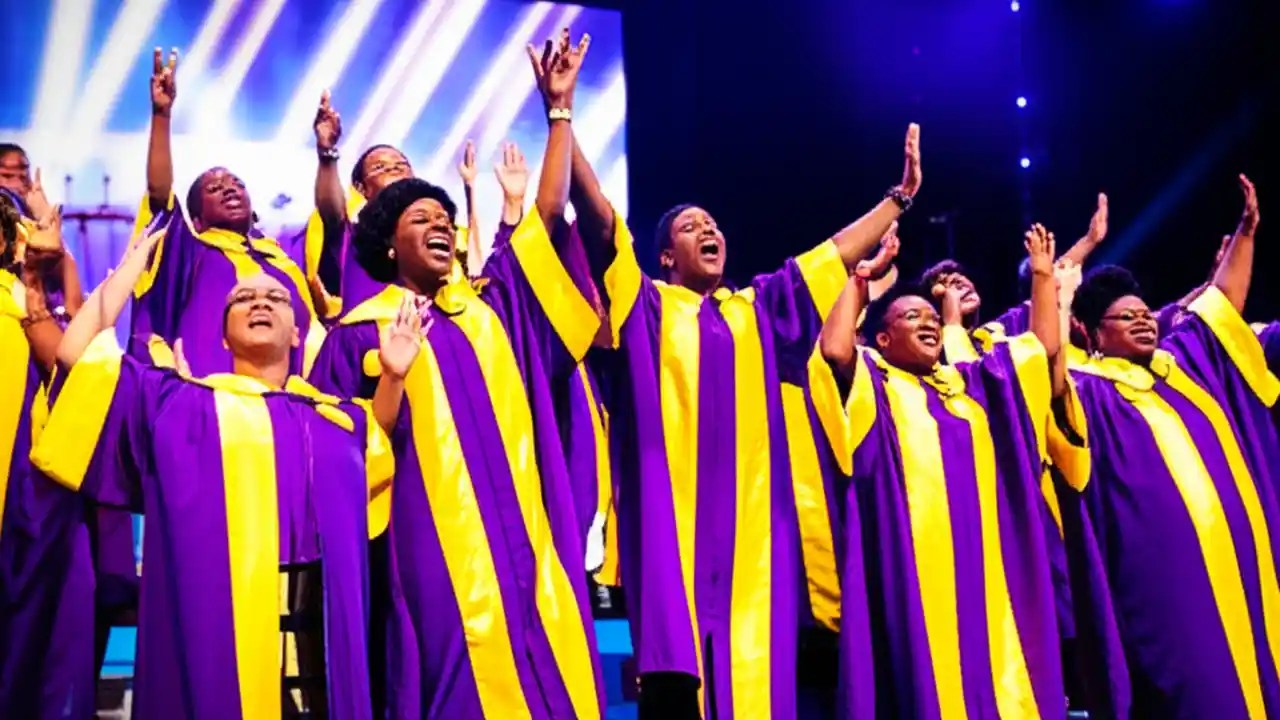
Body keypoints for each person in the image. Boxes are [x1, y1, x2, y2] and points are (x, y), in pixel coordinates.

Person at [563, 41, 922, 711]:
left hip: (755, 536)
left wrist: (896, 199)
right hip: (670, 532)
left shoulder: (756, 309)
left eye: (715, 225)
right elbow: (602, 218)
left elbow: (829, 257)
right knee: (677, 684)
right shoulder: (642, 305)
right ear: (666, 253)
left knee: (760, 682)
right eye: (693, 227)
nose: (711, 232)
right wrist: (562, 115)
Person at [307, 29, 605, 719]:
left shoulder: (494, 305)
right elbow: (338, 459)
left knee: (550, 671)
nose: (441, 224)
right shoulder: (357, 338)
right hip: (430, 548)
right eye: (421, 218)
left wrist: (558, 114)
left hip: (530, 538)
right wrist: (390, 380)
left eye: (445, 217)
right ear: (387, 242)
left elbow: (546, 218)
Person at [30, 219, 401, 719]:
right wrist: (129, 270)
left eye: (275, 298)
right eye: (243, 299)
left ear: (298, 334)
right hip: (219, 651)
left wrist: (394, 376)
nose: (261, 302)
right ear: (223, 338)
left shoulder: (335, 418)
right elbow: (76, 354)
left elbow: (375, 453)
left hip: (315, 659)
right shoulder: (180, 404)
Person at [1050, 175, 1280, 719]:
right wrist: (1054, 284)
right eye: (1125, 317)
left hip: (1248, 566)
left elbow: (1220, 304)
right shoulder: (1090, 394)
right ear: (1093, 333)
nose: (1143, 320)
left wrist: (1246, 233)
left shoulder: (1184, 367)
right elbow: (1050, 366)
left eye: (1145, 312)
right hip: (1169, 584)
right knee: (1201, 690)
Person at [820, 223, 1067, 719]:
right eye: (913, 316)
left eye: (934, 317)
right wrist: (860, 280)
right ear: (884, 338)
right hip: (915, 574)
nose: (930, 324)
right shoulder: (875, 379)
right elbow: (835, 349)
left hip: (988, 572)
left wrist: (1042, 276)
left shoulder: (971, 382)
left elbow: (1040, 352)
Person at [131, 48, 327, 377]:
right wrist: (162, 116)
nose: (229, 188)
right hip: (216, 404)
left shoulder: (283, 260)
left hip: (294, 402)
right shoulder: (191, 254)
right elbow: (159, 195)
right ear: (196, 220)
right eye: (213, 188)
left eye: (236, 183)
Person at [786, 235, 897, 718]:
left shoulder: (872, 372)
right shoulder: (795, 364)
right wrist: (860, 281)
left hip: (856, 535)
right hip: (798, 559)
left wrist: (867, 282)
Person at [0, 191, 95, 720]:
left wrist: (36, 280)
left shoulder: (23, 297)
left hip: (25, 480)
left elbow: (66, 366)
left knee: (31, 624)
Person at [923, 192, 1109, 362]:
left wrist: (1089, 241)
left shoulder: (999, 332)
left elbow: (1050, 288)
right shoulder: (929, 352)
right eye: (945, 283)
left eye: (960, 278)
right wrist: (952, 322)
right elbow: (965, 375)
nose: (959, 281)